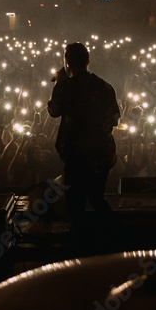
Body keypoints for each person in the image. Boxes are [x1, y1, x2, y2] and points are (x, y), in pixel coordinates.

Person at [47, 42, 120, 251]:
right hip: (101, 154)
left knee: (75, 203)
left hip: (76, 155)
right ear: (88, 61)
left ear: (67, 63)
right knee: (97, 197)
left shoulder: (66, 87)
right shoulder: (105, 87)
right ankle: (111, 239)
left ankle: (81, 245)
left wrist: (60, 82)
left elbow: (53, 110)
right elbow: (115, 118)